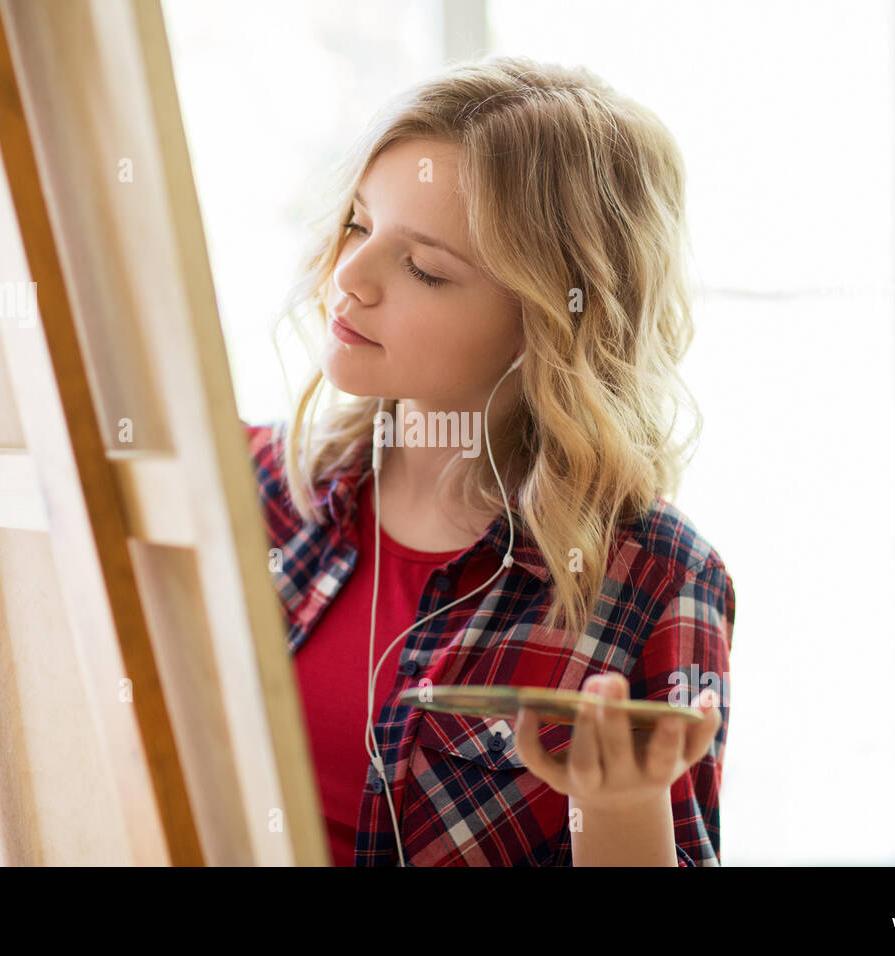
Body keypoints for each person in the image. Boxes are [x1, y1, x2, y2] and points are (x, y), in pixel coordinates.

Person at [245, 55, 735, 866]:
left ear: (549, 324)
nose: (350, 279)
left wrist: (620, 805)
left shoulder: (654, 577)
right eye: (358, 226)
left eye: (426, 268)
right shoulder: (255, 487)